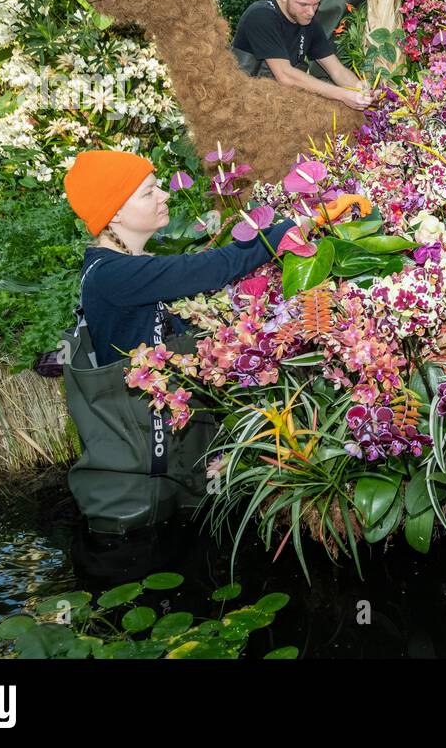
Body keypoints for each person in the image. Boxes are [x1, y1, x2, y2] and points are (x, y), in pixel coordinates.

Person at [61, 150, 300, 533]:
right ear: (116, 214)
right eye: (149, 192)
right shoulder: (114, 274)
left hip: (163, 468)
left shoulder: (124, 264)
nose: (164, 196)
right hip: (139, 489)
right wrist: (289, 227)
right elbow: (210, 269)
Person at [231, 0, 372, 112]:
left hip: (279, 106)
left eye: (316, 4)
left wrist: (362, 91)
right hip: (243, 105)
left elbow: (337, 70)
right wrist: (342, 95)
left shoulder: (310, 23)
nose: (311, 12)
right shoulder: (261, 15)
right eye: (303, 4)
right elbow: (285, 75)